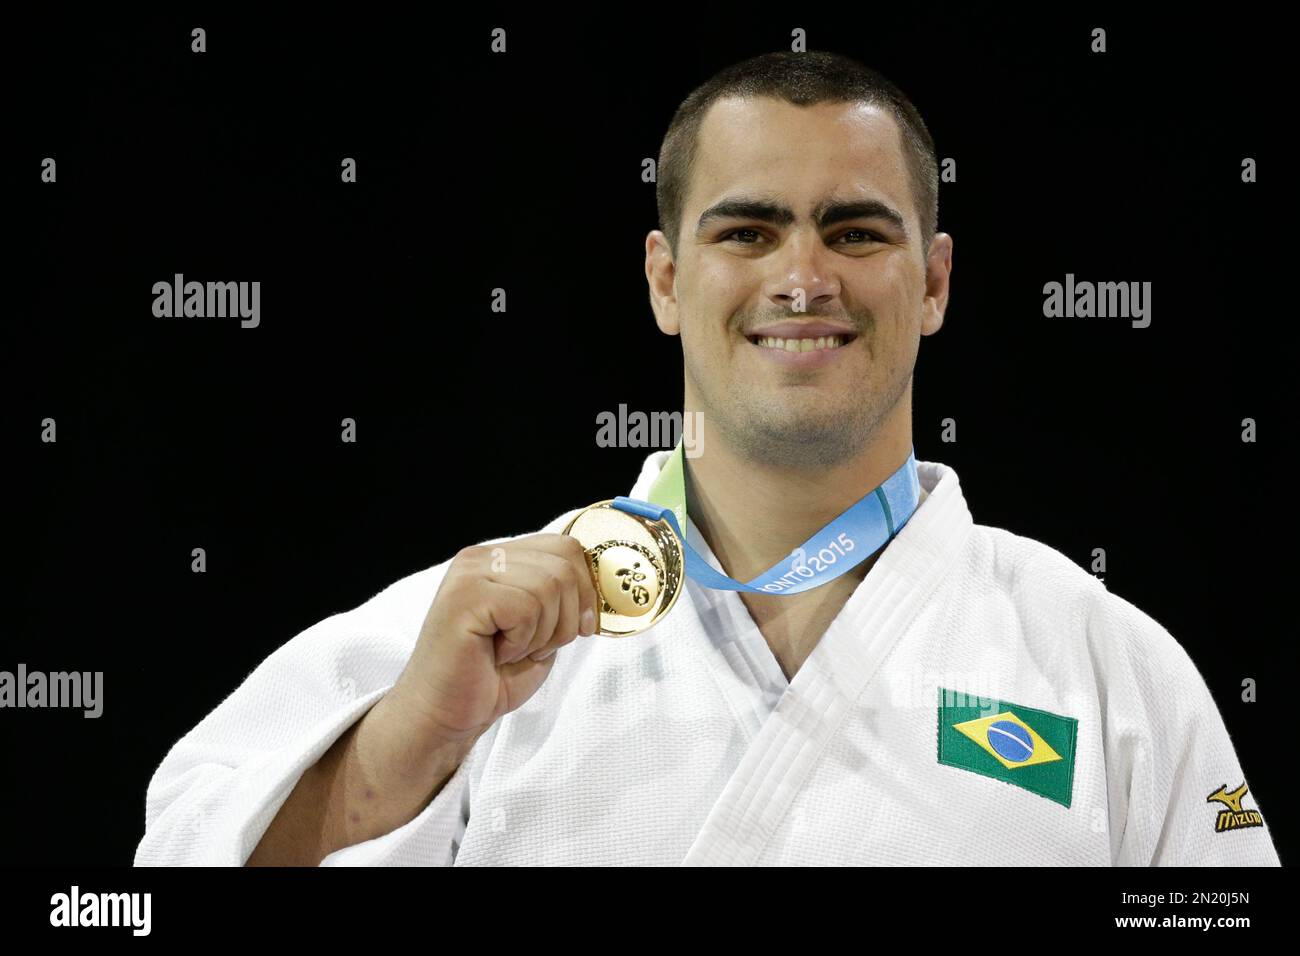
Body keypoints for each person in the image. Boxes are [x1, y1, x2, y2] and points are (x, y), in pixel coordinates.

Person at [135, 50, 1280, 866]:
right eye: (746, 229)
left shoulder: (1107, 666)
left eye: (855, 230)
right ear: (665, 279)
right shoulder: (464, 639)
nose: (802, 276)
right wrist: (401, 752)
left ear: (932, 281)